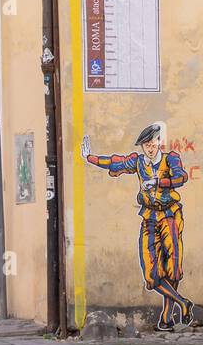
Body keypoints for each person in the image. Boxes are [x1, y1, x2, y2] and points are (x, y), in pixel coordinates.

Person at [82, 123, 196, 332]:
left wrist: (158, 182)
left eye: (153, 144)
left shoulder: (171, 159)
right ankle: (182, 303)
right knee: (151, 274)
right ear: (142, 147)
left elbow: (181, 177)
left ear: (159, 143)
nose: (150, 148)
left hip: (170, 215)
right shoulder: (138, 162)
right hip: (149, 217)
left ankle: (166, 317)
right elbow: (115, 163)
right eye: (146, 145)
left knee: (172, 268)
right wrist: (90, 158)